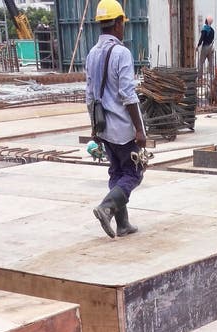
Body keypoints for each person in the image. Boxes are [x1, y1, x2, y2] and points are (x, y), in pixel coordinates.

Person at [86, 0, 146, 239]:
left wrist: (94, 128)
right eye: (123, 24)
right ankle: (107, 208)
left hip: (103, 127)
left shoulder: (92, 54)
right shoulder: (122, 53)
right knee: (134, 172)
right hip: (122, 127)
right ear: (118, 23)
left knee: (117, 172)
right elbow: (128, 94)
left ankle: (123, 224)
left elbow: (89, 95)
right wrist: (139, 130)